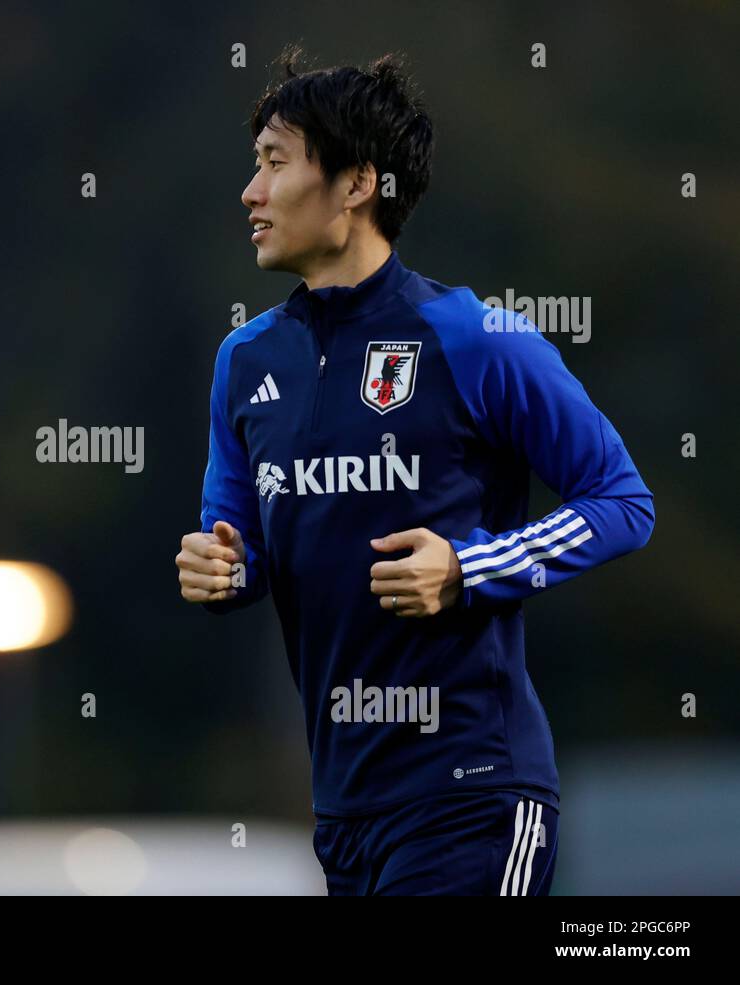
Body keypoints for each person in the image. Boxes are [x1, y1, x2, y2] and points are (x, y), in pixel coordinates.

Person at [175, 50, 654, 895]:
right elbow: (238, 539)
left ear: (357, 182)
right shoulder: (243, 360)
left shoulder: (477, 337)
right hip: (344, 812)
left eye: (275, 163)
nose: (250, 193)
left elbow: (622, 500)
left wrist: (470, 566)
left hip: (473, 790)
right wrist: (221, 566)